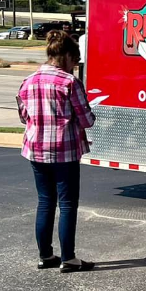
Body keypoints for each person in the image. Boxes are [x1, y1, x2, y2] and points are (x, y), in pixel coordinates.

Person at [17, 29, 96, 272]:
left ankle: (45, 255)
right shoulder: (70, 83)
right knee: (68, 204)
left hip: (36, 150)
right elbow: (87, 120)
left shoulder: (28, 82)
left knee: (45, 202)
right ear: (66, 57)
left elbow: (23, 117)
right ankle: (69, 258)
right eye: (75, 60)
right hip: (65, 151)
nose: (75, 66)